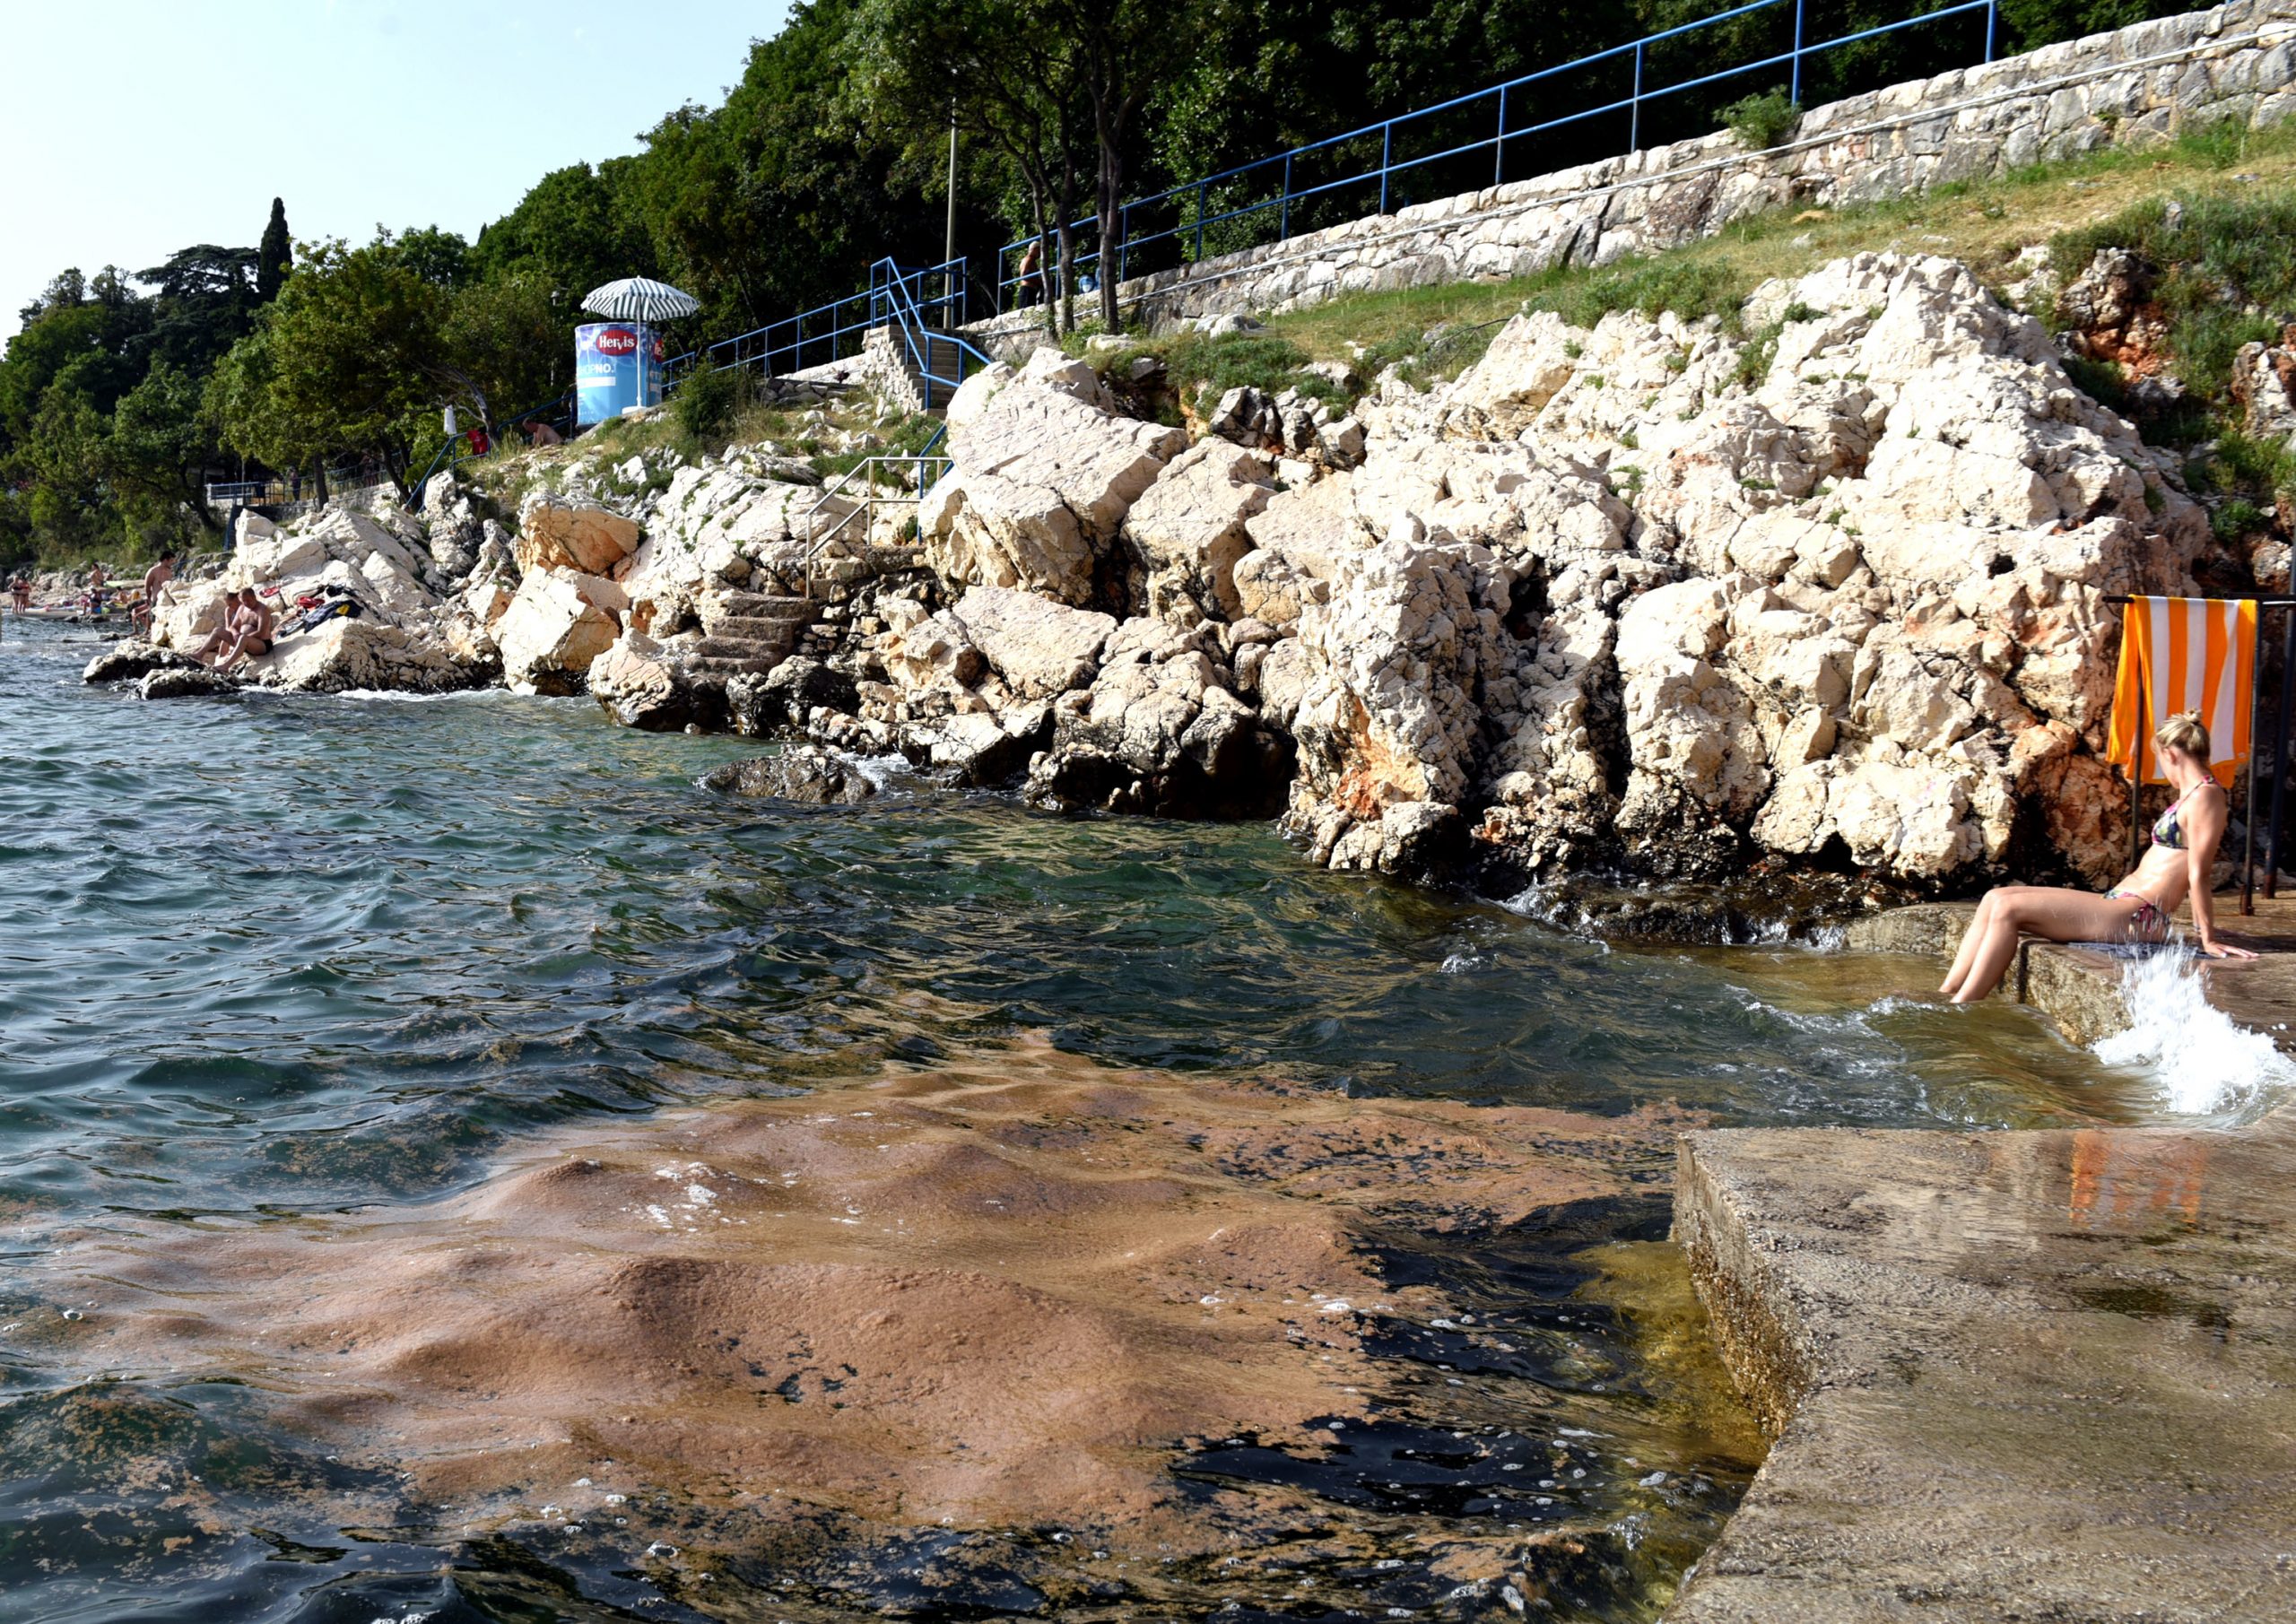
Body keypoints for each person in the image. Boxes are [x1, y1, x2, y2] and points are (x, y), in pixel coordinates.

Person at [1942, 712, 2258, 1003]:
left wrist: (2208, 939)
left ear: (2171, 754)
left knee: (2009, 908)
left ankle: (1963, 1006)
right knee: (1995, 897)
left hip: (2138, 916)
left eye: (2160, 760)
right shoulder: (2191, 794)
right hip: (2121, 902)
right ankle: (1947, 993)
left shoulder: (2208, 797)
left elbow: (2198, 874)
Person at [211, 586, 276, 672]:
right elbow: (232, 626)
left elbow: (261, 632)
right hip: (244, 642)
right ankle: (198, 655)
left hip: (262, 645)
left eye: (248, 600)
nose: (246, 603)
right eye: (243, 601)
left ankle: (225, 666)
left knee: (243, 638)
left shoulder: (262, 610)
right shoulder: (242, 608)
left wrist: (243, 638)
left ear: (254, 597)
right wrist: (235, 633)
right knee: (217, 631)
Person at [130, 551, 176, 637]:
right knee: (152, 615)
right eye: (171, 560)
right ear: (166, 560)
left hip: (167, 599)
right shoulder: (153, 571)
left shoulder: (169, 571)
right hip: (155, 598)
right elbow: (147, 587)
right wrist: (149, 599)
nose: (173, 563)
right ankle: (147, 631)